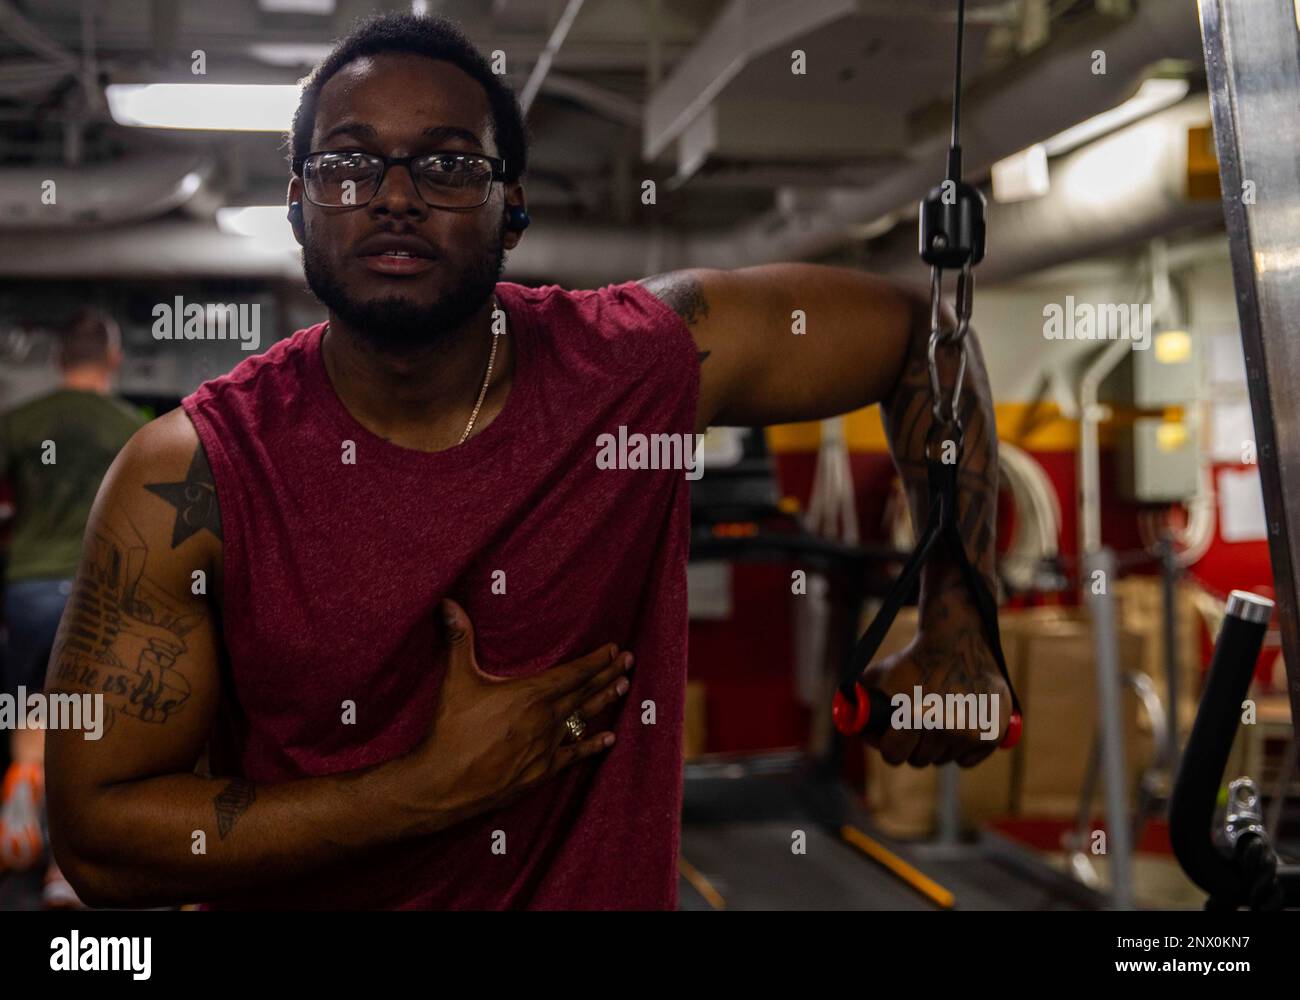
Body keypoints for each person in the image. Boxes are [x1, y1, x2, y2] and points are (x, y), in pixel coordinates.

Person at [43, 12, 1009, 910]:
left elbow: (922, 339)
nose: (393, 197)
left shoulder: (635, 364)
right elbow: (97, 839)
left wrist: (963, 615)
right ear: (298, 204)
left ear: (513, 206)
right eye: (348, 164)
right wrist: (419, 793)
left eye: (449, 165)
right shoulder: (192, 474)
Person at [0, 308, 146, 908]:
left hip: (28, 586)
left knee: (34, 703)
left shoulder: (19, 422)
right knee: (88, 723)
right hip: (100, 594)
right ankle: (66, 868)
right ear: (112, 359)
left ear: (59, 360)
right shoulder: (132, 428)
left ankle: (23, 787)